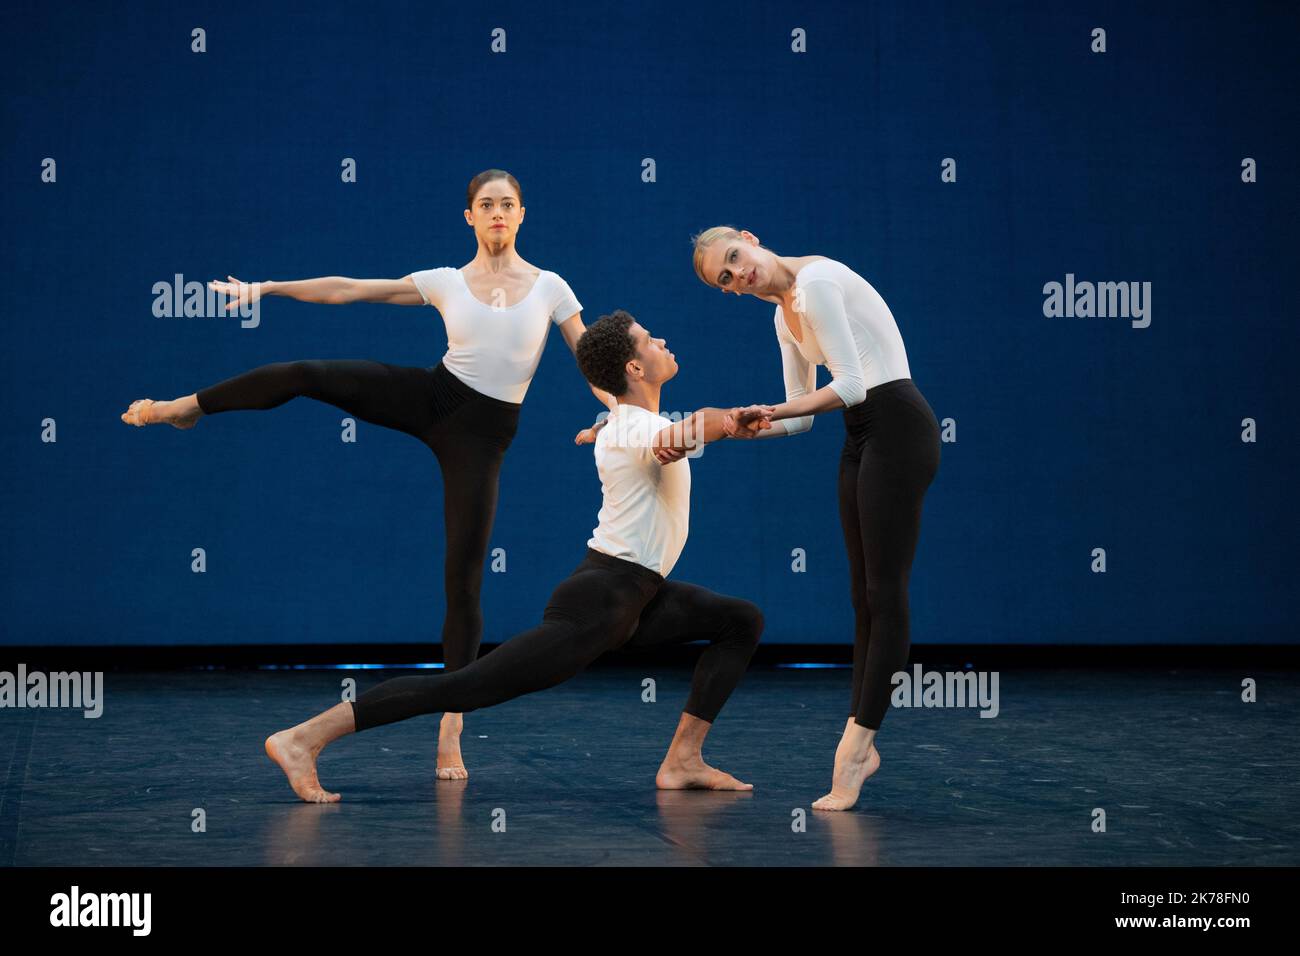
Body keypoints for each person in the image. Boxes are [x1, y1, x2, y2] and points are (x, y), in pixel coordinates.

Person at [120, 170, 613, 781]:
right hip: (434, 397)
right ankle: (186, 408)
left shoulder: (550, 288)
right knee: (307, 372)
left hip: (483, 438)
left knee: (463, 577)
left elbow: (591, 356)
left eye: (507, 205)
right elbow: (351, 290)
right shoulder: (445, 281)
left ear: (521, 215)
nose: (497, 214)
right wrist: (269, 288)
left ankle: (450, 726)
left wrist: (619, 411)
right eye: (486, 205)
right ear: (469, 217)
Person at [264, 309, 769, 803]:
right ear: (635, 369)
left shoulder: (623, 424)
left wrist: (613, 431)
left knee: (739, 620)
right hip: (601, 600)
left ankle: (682, 761)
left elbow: (648, 433)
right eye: (650, 339)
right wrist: (727, 421)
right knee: (463, 688)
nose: (661, 342)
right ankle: (303, 738)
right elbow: (677, 435)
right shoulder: (635, 429)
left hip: (636, 595)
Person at [691, 226, 941, 811]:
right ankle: (862, 736)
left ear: (751, 239)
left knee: (885, 591)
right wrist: (741, 426)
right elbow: (802, 418)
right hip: (861, 436)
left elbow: (852, 384)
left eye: (735, 257)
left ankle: (857, 747)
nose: (738, 274)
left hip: (898, 426)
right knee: (862, 595)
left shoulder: (819, 282)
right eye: (724, 278)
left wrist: (773, 408)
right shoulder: (782, 317)